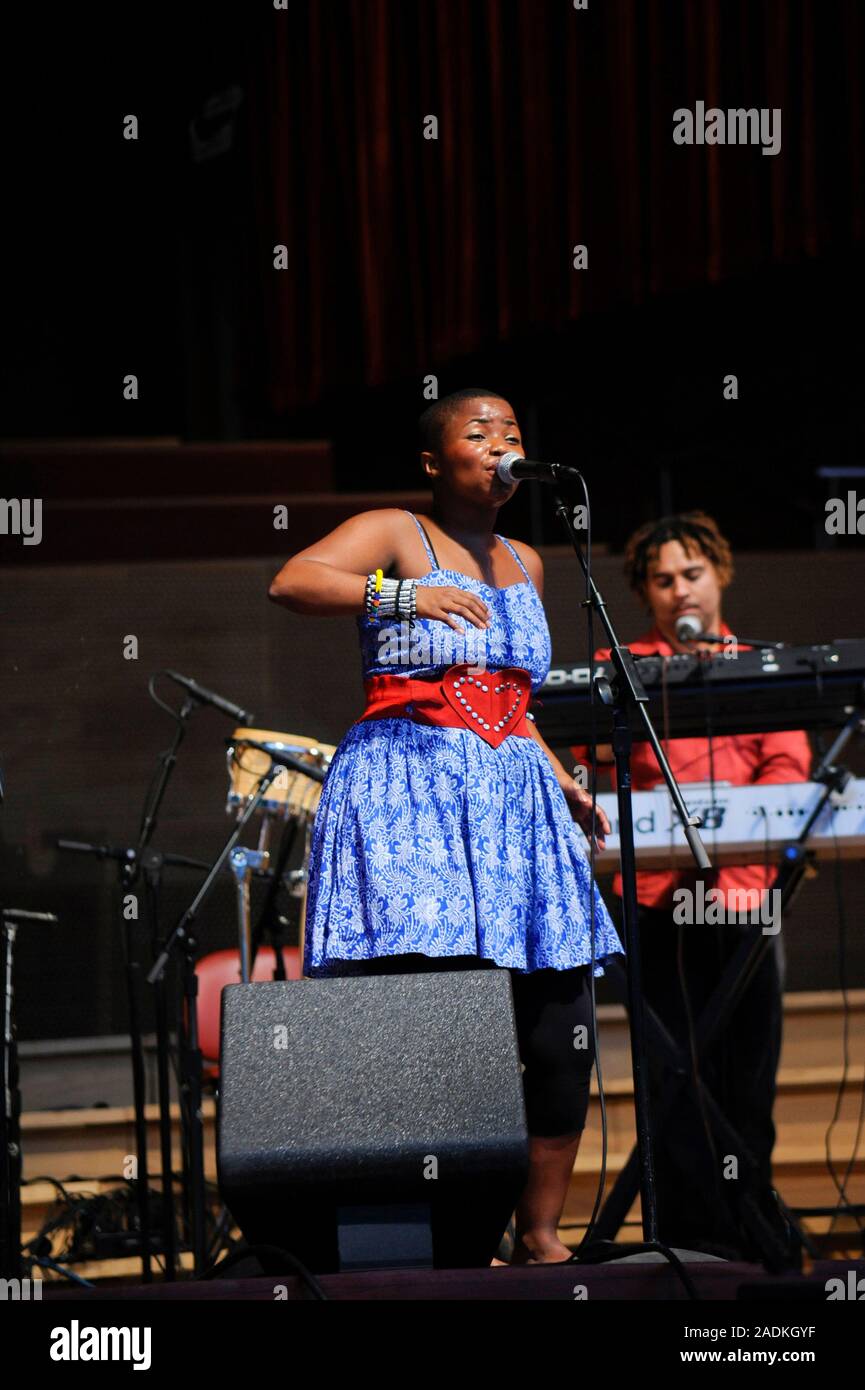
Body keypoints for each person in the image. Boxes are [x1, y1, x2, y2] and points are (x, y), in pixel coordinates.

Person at [269, 388, 623, 1265]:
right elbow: (292, 582)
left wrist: (558, 777)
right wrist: (401, 598)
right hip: (411, 789)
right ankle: (448, 1243)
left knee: (556, 1021)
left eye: (512, 430)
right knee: (443, 1012)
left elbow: (509, 694)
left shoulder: (527, 561)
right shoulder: (397, 530)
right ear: (435, 462)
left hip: (513, 801)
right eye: (478, 432)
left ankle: (539, 1234)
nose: (501, 443)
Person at [571, 511, 811, 1259]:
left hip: (741, 897)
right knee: (672, 1082)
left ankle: (748, 1228)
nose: (681, 590)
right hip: (653, 901)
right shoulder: (620, 669)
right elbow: (583, 764)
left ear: (720, 575)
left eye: (692, 574)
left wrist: (737, 853)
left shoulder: (754, 661)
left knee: (745, 1074)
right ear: (644, 591)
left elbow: (787, 766)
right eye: (663, 579)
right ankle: (683, 1238)